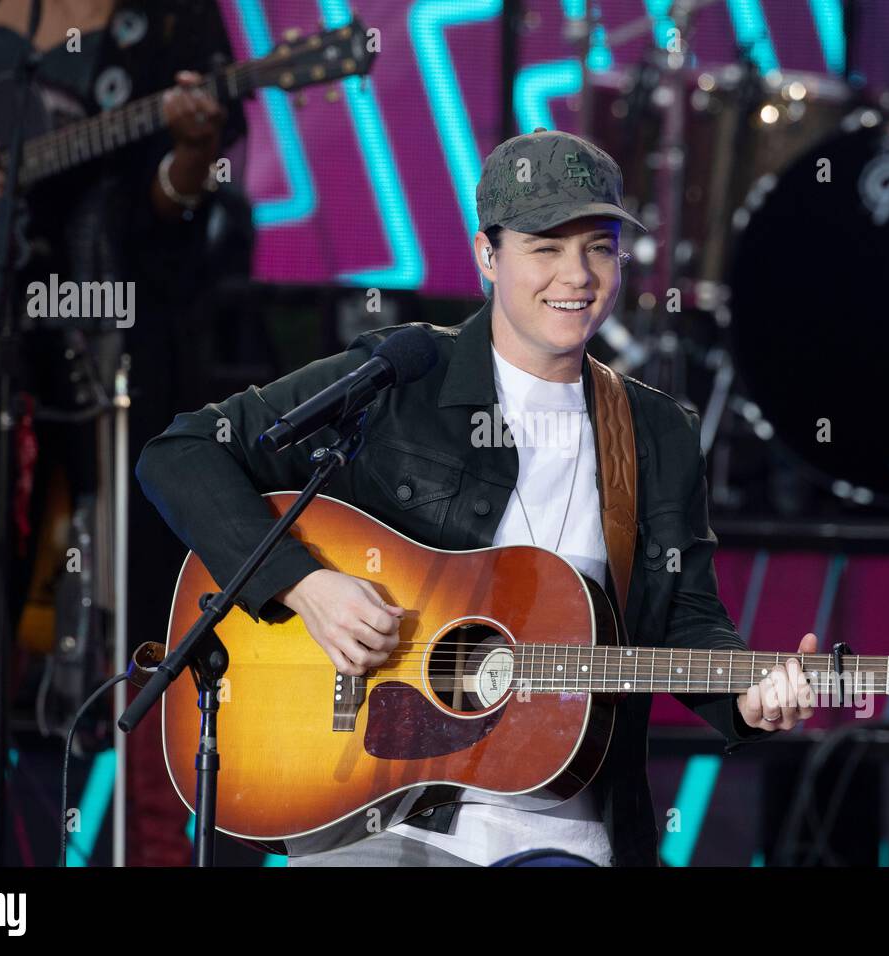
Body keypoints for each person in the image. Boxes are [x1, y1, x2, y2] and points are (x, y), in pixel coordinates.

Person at [136, 128, 817, 867]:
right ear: (487, 256)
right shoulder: (400, 380)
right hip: (380, 817)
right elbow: (183, 451)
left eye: (598, 247)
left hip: (561, 834)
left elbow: (687, 620)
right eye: (546, 248)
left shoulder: (656, 433)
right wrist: (306, 586)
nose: (577, 275)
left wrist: (748, 698)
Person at [0, 0, 247, 865]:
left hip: (112, 334)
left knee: (144, 593)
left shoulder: (173, 21)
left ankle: (153, 847)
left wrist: (193, 146)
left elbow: (171, 206)